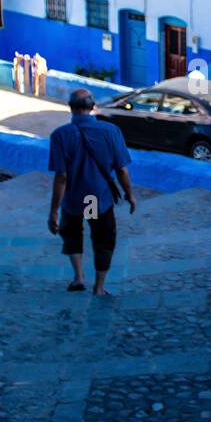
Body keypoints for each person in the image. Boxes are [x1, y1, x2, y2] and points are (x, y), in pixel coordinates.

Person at [47, 88, 136, 296]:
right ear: (92, 106)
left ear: (70, 107)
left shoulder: (60, 136)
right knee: (102, 239)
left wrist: (53, 211)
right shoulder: (110, 131)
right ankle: (98, 287)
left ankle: (78, 277)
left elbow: (61, 177)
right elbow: (121, 169)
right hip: (95, 199)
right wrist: (129, 195)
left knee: (72, 234)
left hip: (73, 199)